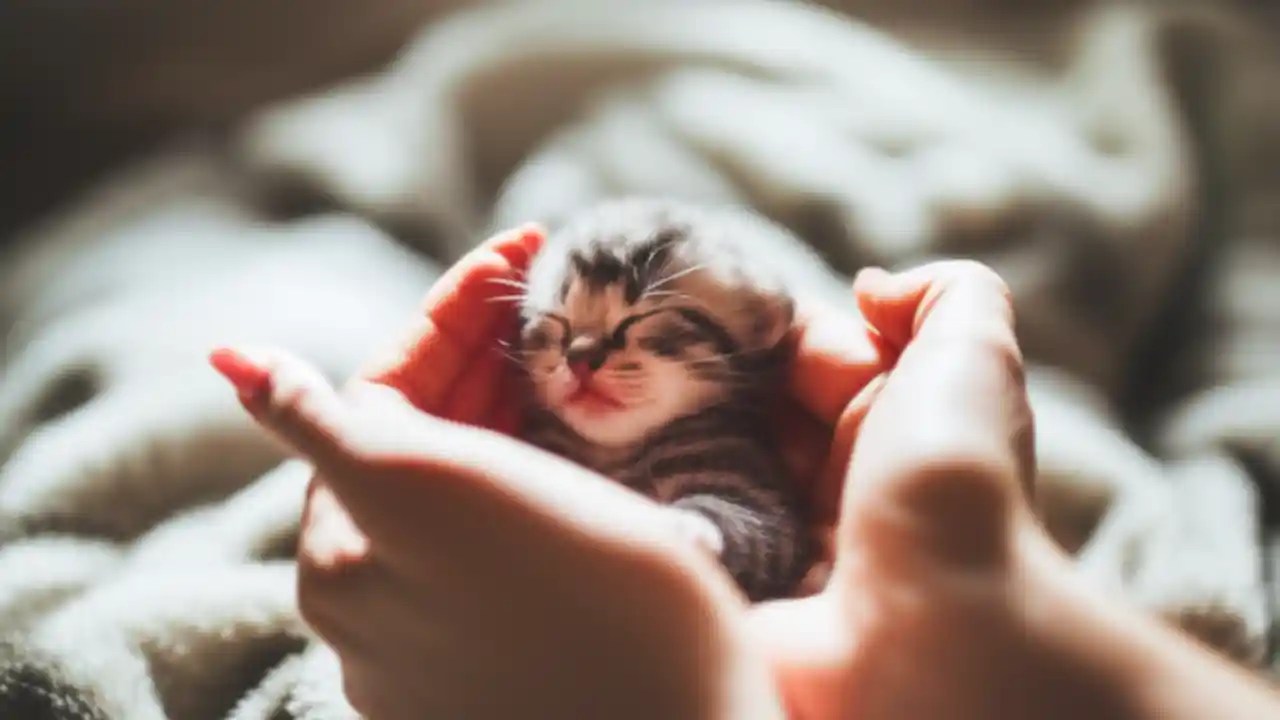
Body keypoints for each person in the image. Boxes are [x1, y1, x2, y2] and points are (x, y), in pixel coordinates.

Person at [211, 225, 1280, 720]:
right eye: (551, 336)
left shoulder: (714, 445)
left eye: (644, 330)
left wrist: (690, 594)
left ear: (759, 336)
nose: (584, 361)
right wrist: (967, 607)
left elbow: (752, 525)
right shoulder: (545, 431)